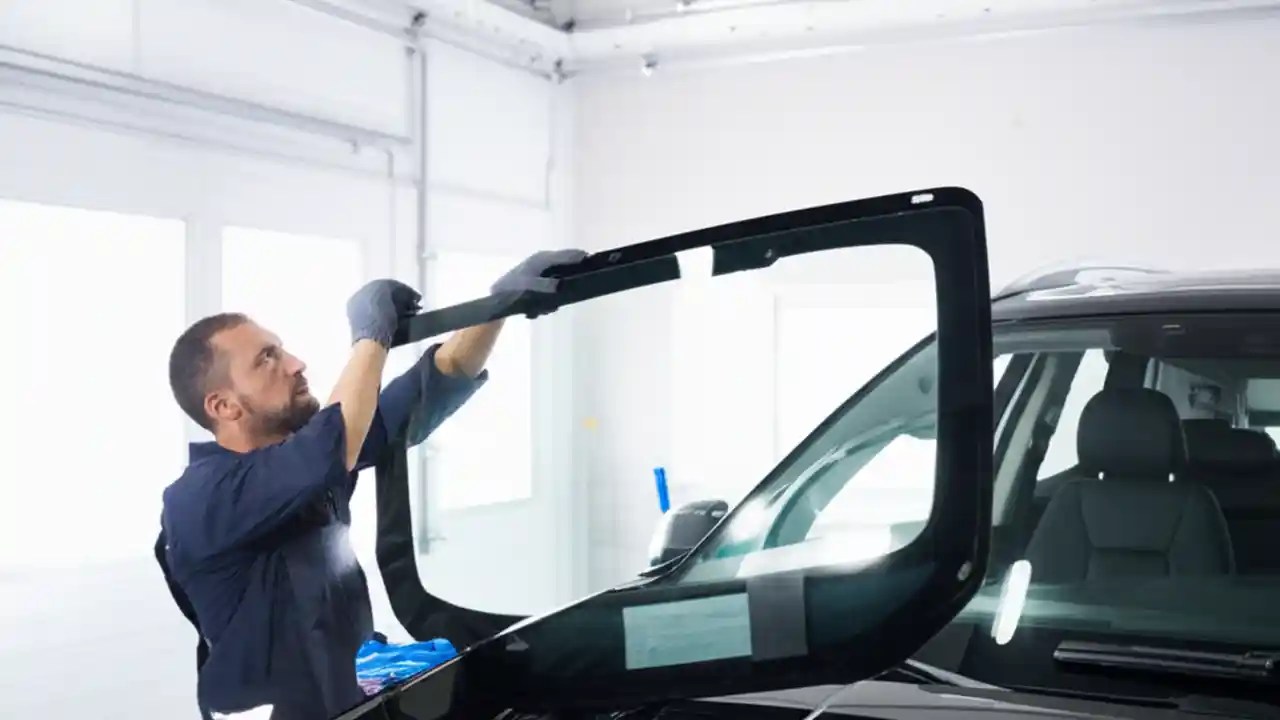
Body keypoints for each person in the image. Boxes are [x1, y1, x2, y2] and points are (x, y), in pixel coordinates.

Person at [156, 250, 586, 720]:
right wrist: (370, 339)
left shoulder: (302, 461)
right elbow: (327, 447)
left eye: (282, 349)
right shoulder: (202, 498)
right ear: (223, 406)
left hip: (350, 702)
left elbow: (422, 392)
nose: (297, 364)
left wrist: (499, 305)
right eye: (268, 359)